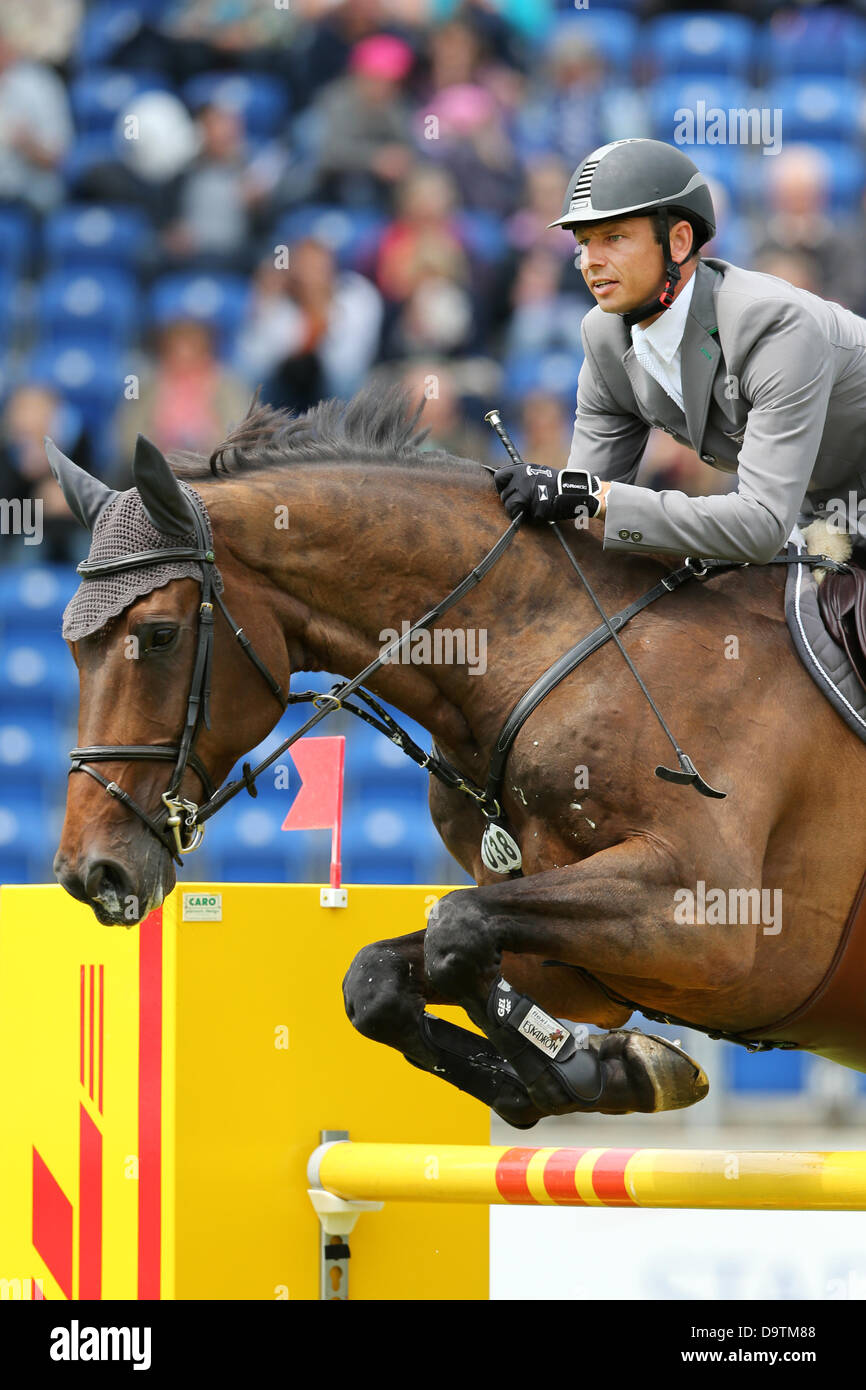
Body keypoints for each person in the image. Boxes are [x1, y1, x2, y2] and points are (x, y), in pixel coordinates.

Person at [494, 137, 866, 564]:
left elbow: (760, 526)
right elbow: (585, 517)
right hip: (823, 520)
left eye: (613, 237)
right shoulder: (603, 336)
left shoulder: (775, 325)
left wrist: (594, 496)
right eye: (583, 241)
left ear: (679, 241)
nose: (590, 261)